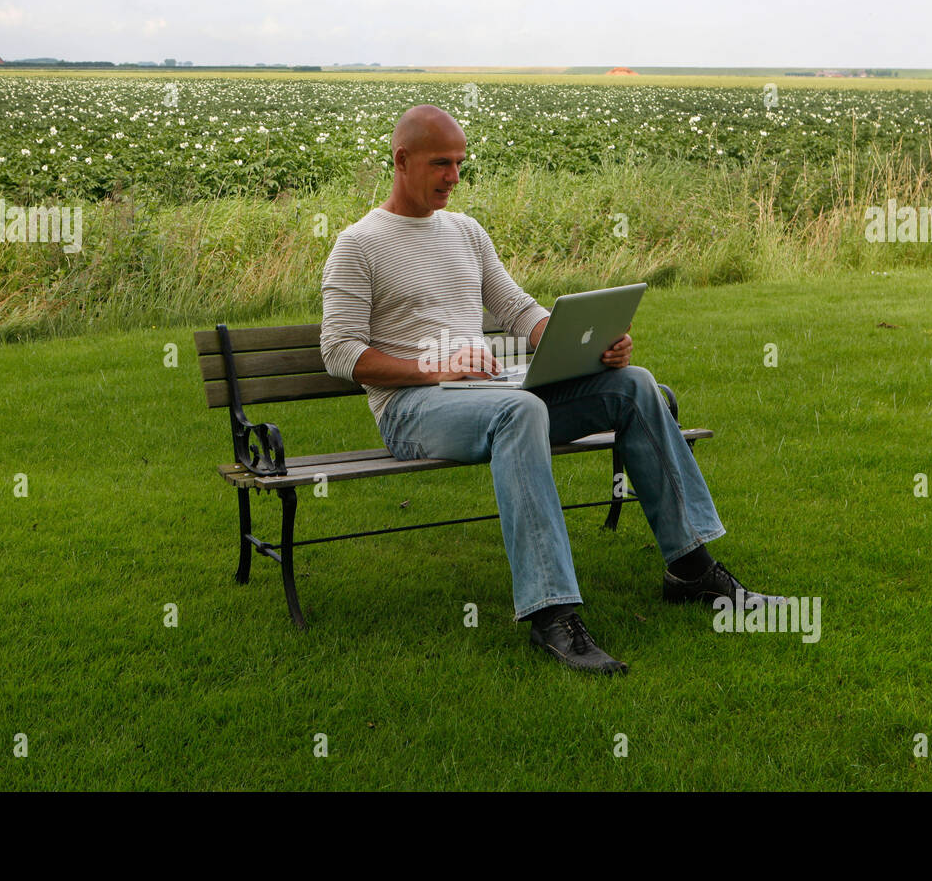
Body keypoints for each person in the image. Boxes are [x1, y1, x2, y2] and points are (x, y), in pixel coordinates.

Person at [320, 105, 785, 675]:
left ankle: (691, 570)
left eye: (461, 164)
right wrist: (436, 367)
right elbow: (341, 353)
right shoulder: (358, 245)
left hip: (491, 397)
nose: (453, 178)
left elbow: (516, 309)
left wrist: (582, 346)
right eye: (441, 164)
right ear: (401, 160)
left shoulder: (466, 232)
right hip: (412, 411)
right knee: (518, 410)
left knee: (635, 385)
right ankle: (552, 614)